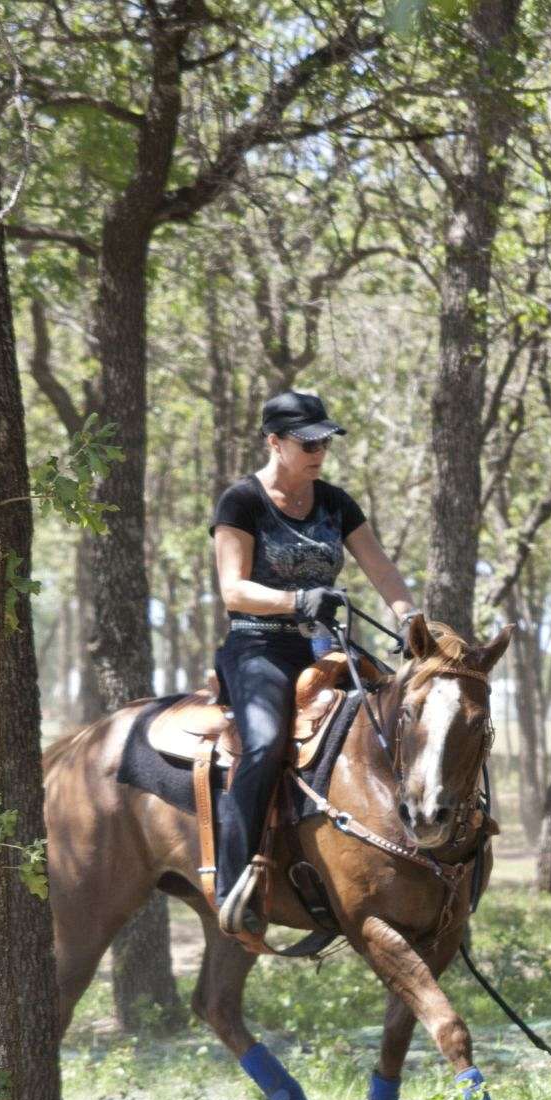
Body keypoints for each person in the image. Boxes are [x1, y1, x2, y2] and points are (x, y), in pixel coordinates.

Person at [210, 389, 419, 936]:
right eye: (307, 442)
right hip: (259, 645)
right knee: (263, 742)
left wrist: (409, 618)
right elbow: (233, 590)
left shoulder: (336, 502)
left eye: (324, 440)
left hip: (325, 645)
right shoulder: (241, 501)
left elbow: (381, 567)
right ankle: (232, 885)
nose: (319, 450)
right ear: (274, 442)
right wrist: (295, 600)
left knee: (395, 720)